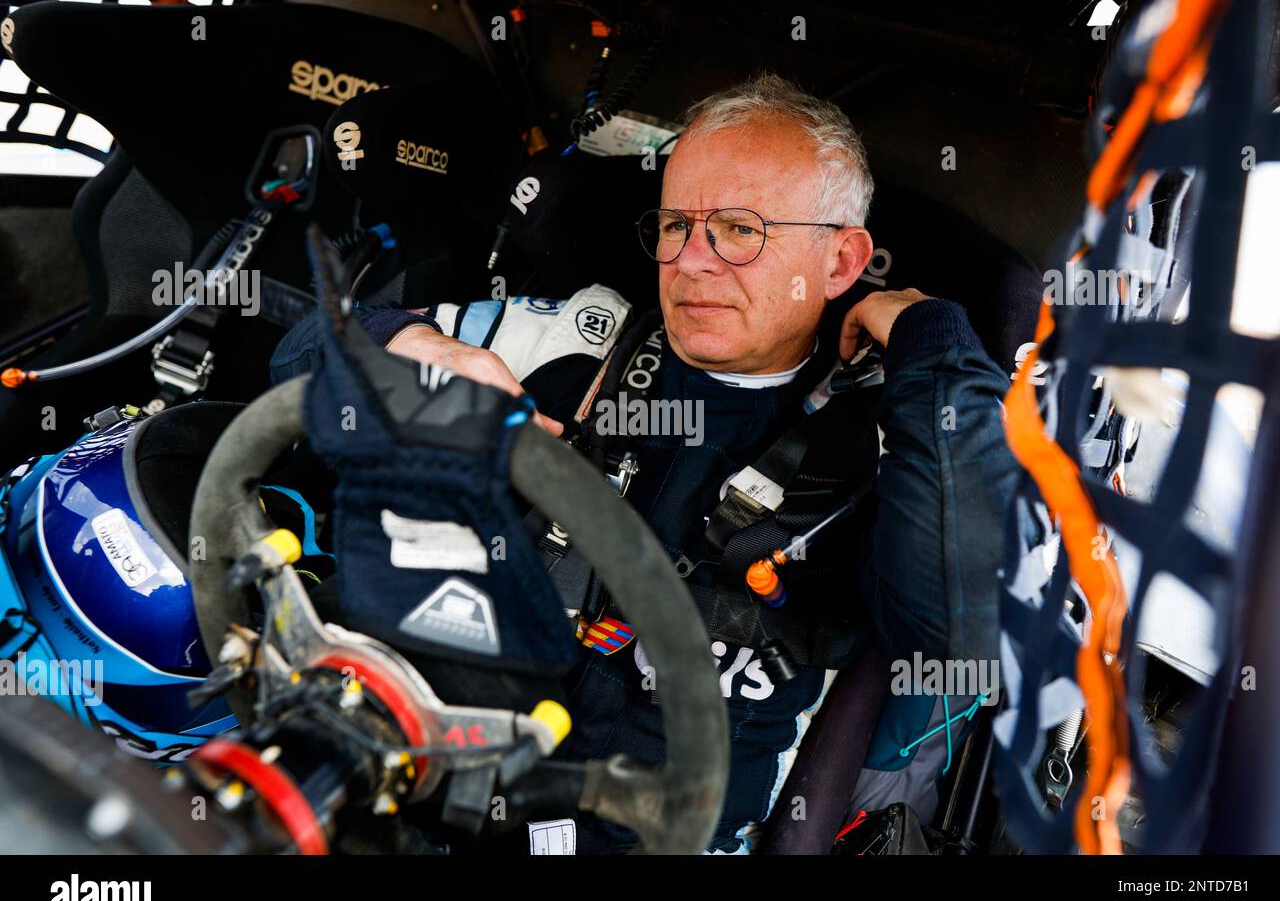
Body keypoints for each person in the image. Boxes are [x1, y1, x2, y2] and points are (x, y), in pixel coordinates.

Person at [270, 73, 1018, 853]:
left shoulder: (890, 444)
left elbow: (956, 631)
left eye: (737, 229)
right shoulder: (581, 339)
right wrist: (412, 347)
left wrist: (933, 337)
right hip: (406, 759)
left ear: (840, 263)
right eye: (674, 226)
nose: (691, 261)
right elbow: (301, 356)